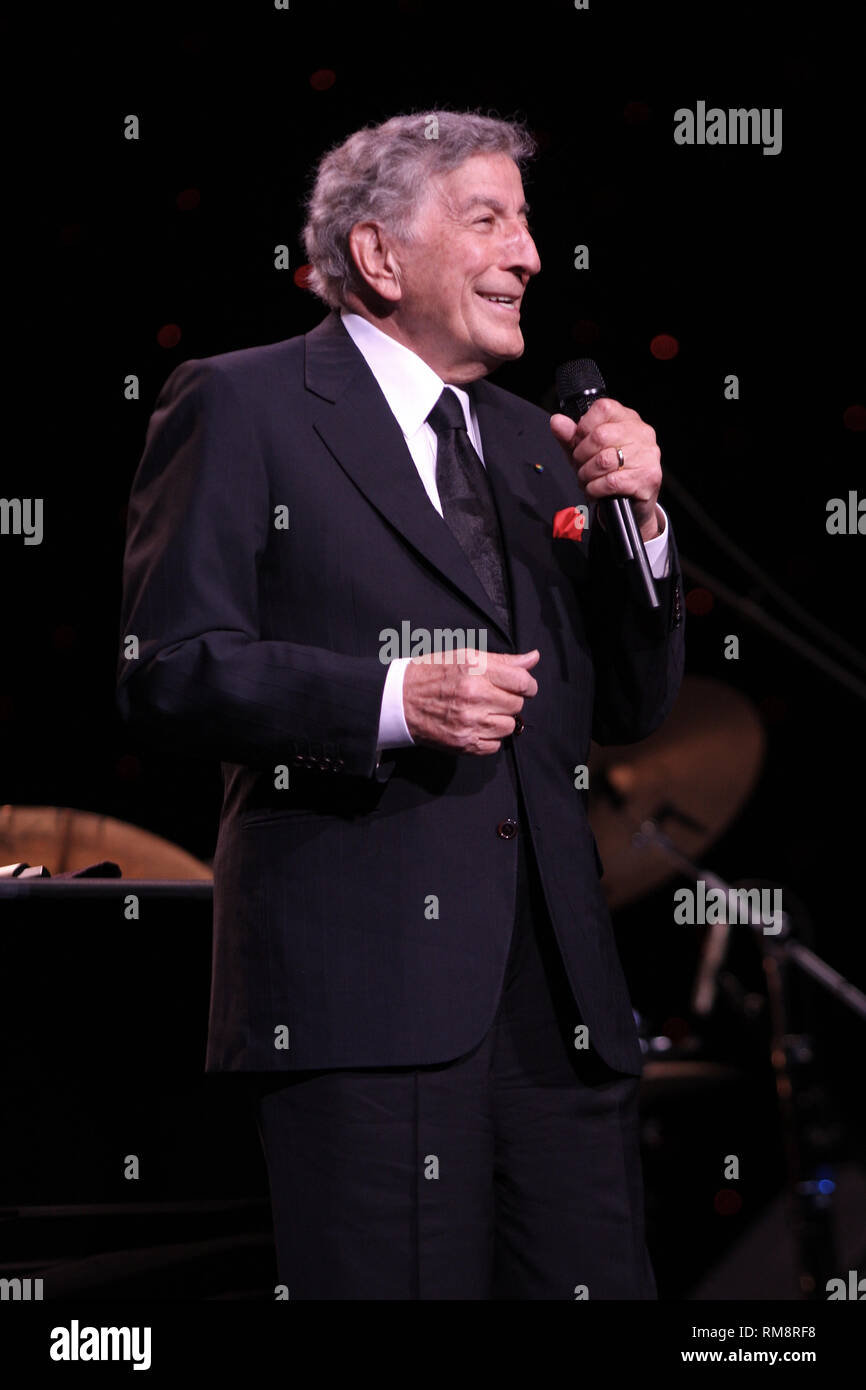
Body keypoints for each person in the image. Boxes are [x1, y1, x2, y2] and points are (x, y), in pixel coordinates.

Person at [117, 110, 684, 1300]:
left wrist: (643, 529)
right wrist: (387, 698)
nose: (528, 255)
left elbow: (630, 706)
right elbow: (166, 666)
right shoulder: (242, 403)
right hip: (360, 1005)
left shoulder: (542, 448)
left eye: (526, 225)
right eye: (487, 220)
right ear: (378, 257)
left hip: (560, 1017)